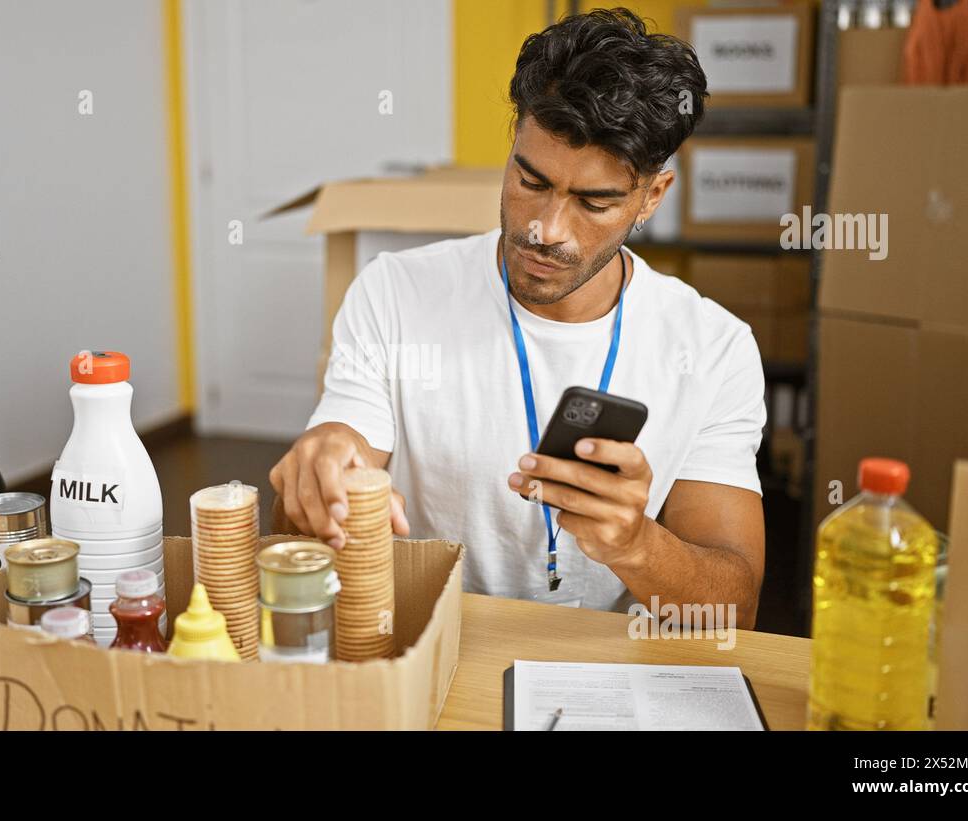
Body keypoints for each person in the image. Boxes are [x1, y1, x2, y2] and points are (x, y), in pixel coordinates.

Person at [269, 8, 766, 628]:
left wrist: (636, 545)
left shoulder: (715, 349)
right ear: (512, 145)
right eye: (531, 180)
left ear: (651, 197)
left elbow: (734, 611)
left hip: (602, 672)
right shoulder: (395, 292)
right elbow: (314, 511)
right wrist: (320, 473)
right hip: (430, 646)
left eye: (594, 202)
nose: (545, 230)